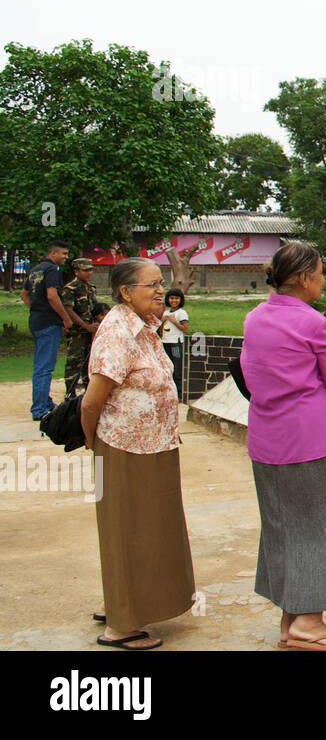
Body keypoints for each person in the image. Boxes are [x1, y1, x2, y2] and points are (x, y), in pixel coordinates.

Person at [241, 241, 326, 650]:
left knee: (283, 528)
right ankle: (310, 622)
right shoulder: (315, 324)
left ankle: (290, 621)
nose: (323, 278)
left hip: (267, 440)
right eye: (320, 271)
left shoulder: (255, 318)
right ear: (303, 278)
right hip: (313, 441)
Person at [80, 257, 196, 650]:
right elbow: (91, 403)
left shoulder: (145, 327)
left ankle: (120, 602)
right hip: (124, 446)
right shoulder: (117, 332)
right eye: (151, 285)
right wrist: (92, 442)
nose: (160, 290)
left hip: (154, 444)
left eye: (160, 283)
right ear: (126, 292)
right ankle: (121, 626)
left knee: (147, 531)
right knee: (127, 531)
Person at [20, 240, 73, 422]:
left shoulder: (36, 269)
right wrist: (65, 318)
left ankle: (46, 401)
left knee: (42, 364)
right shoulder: (52, 270)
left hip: (36, 321)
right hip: (48, 323)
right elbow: (52, 295)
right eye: (64, 254)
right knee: (44, 367)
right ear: (53, 253)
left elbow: (24, 294)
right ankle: (39, 408)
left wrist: (36, 309)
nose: (66, 257)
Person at [60, 258, 99, 398]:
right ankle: (70, 395)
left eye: (90, 270)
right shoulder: (70, 289)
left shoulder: (91, 288)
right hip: (77, 333)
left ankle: (89, 394)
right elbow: (68, 310)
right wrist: (85, 326)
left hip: (91, 332)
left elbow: (95, 309)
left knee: (89, 364)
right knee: (73, 364)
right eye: (85, 270)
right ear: (76, 271)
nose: (89, 273)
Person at [159, 288, 189, 394]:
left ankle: (178, 392)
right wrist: (163, 321)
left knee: (177, 367)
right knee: (167, 366)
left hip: (176, 344)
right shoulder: (166, 312)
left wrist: (174, 321)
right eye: (172, 298)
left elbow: (185, 329)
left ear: (180, 300)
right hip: (165, 342)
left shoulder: (182, 313)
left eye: (176, 298)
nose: (174, 301)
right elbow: (161, 326)